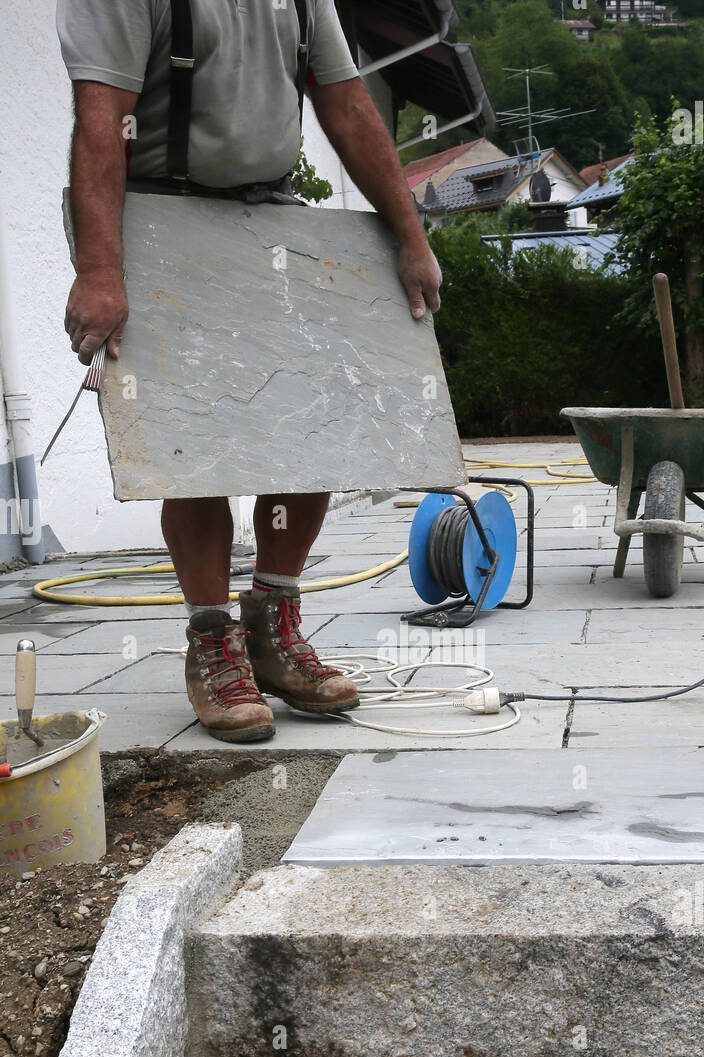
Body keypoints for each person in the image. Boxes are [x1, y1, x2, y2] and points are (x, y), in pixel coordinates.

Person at [57, 0, 442, 742]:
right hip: (159, 219)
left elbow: (345, 101)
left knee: (312, 422)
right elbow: (102, 118)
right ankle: (211, 640)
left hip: (271, 218)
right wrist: (100, 268)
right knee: (191, 449)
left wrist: (407, 234)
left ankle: (273, 624)